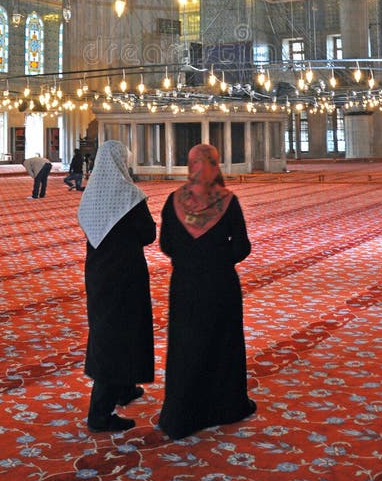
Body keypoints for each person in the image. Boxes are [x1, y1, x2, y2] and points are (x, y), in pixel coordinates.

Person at [158, 143, 255, 440]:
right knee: (220, 344)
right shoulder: (227, 201)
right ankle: (224, 406)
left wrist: (189, 259)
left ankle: (182, 413)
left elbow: (165, 245)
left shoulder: (174, 201)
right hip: (219, 285)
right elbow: (241, 247)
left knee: (186, 346)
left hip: (185, 285)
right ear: (215, 164)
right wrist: (217, 257)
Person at [77, 139, 156, 433]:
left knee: (108, 329)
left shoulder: (91, 195)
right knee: (119, 335)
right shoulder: (129, 195)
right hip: (125, 276)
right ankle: (99, 413)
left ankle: (124, 387)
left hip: (97, 274)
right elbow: (148, 234)